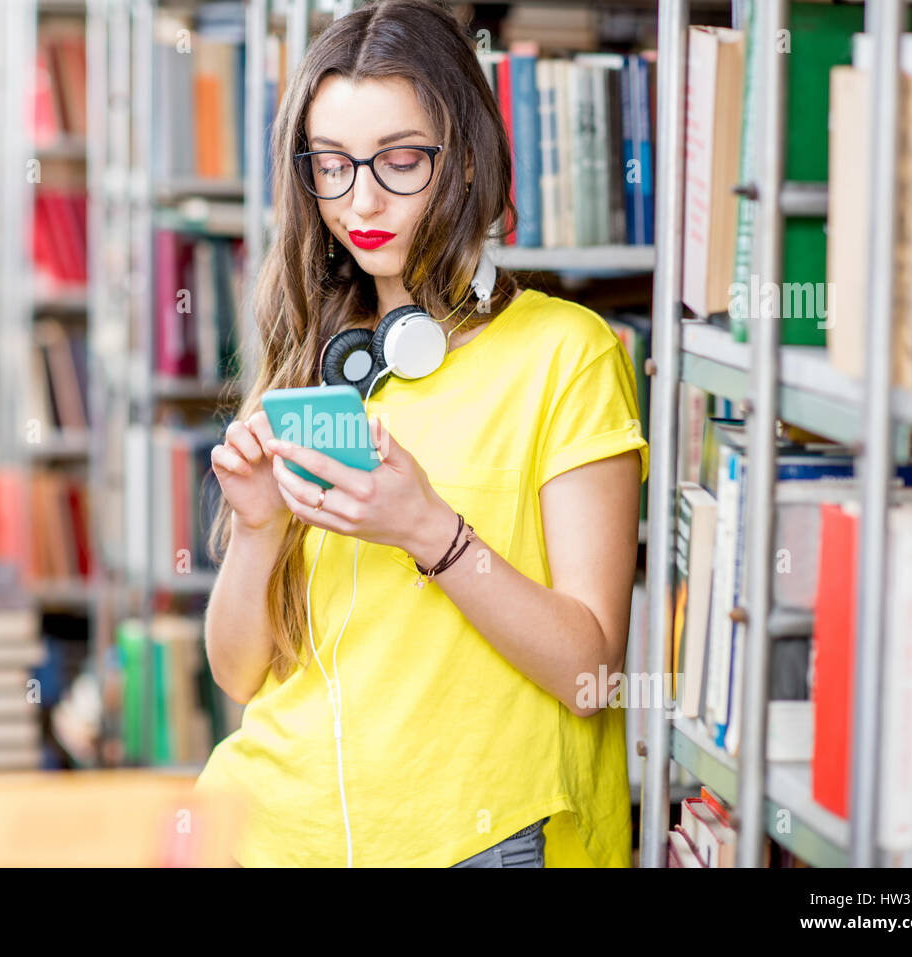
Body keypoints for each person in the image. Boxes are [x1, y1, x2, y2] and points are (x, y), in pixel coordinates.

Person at [192, 0, 649, 867]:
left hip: (475, 838)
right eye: (330, 166)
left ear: (469, 158)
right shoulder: (313, 362)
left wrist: (428, 532)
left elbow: (591, 674)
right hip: (270, 829)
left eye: (400, 161)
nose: (358, 199)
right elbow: (238, 674)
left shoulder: (566, 355)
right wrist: (257, 530)